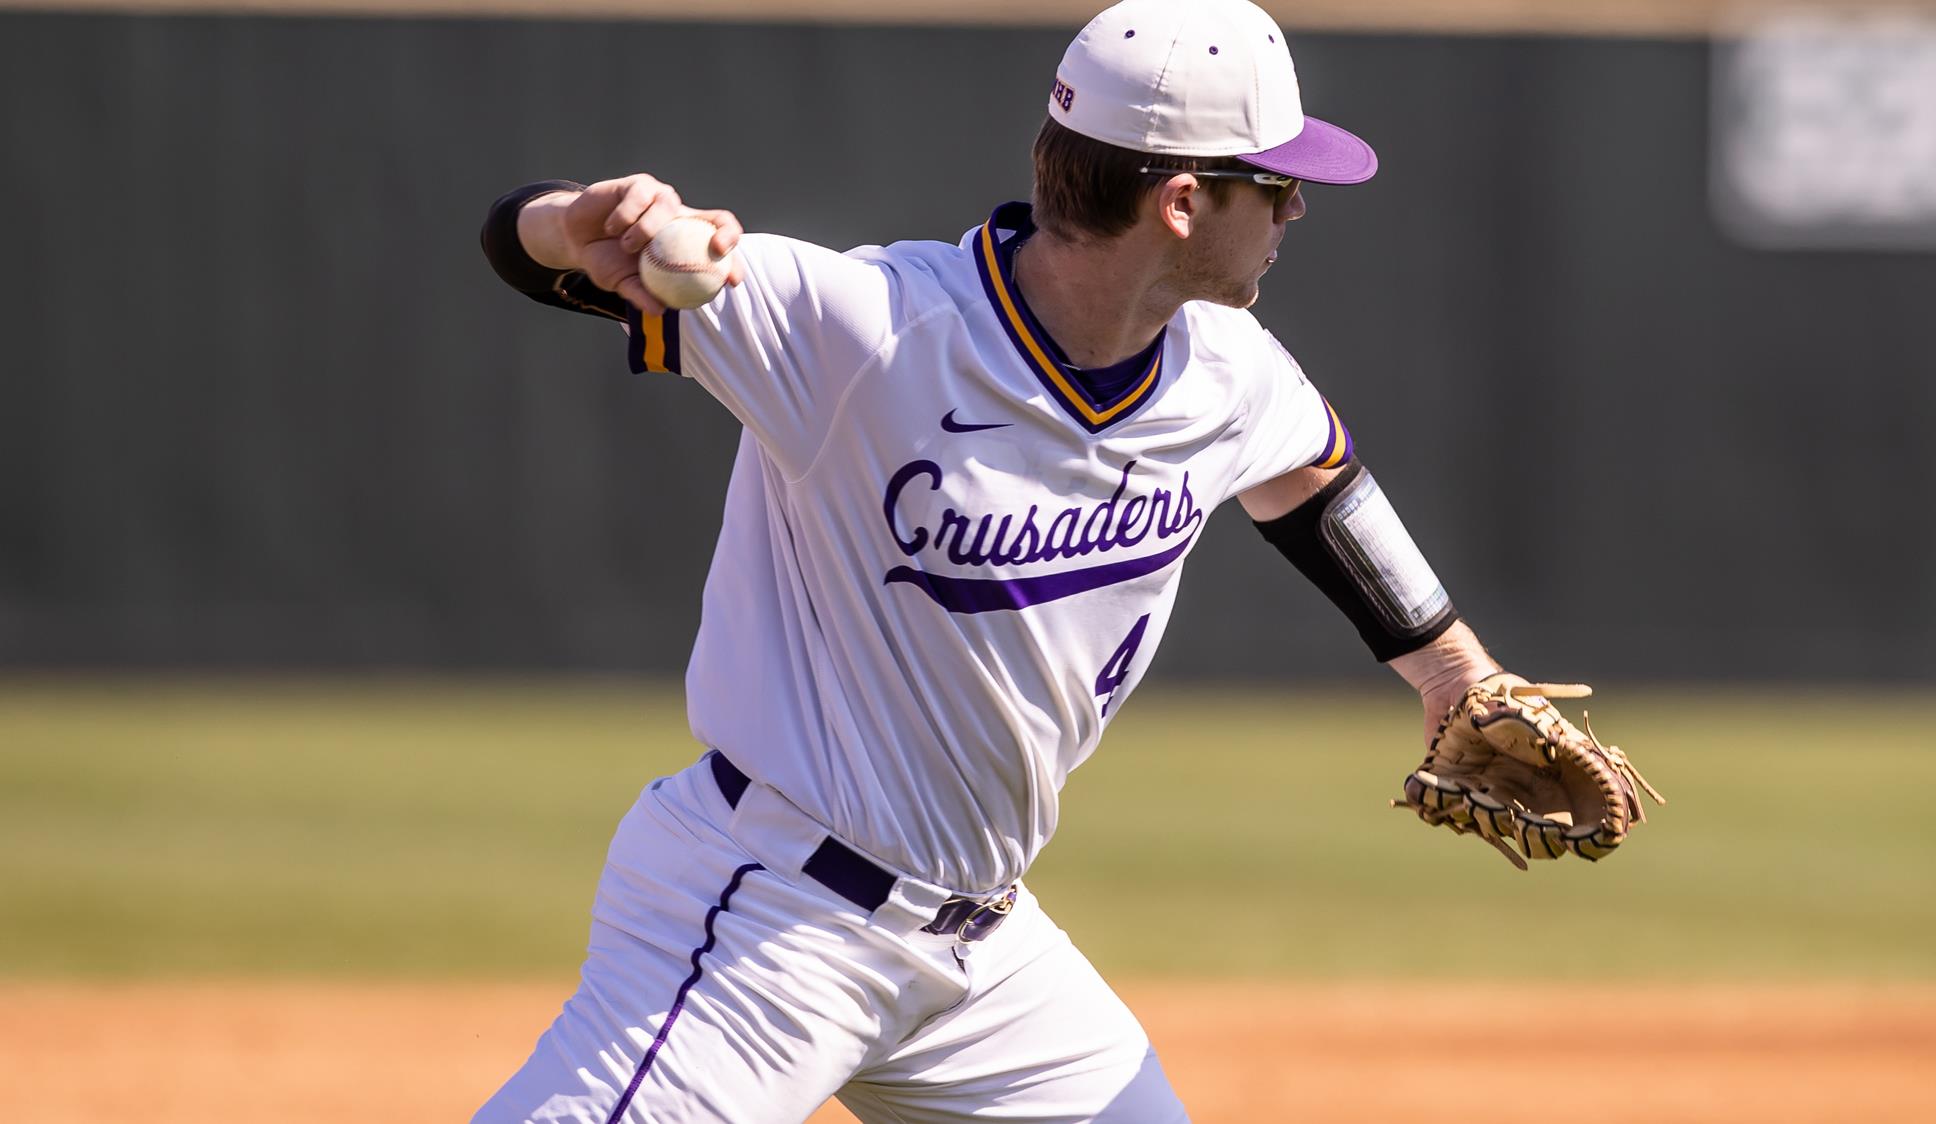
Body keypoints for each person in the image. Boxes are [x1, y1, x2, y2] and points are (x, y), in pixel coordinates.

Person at [473, 1, 1516, 1119]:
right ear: (1178, 202)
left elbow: (1315, 481)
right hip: (771, 918)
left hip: (982, 953)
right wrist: (569, 220)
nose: (1295, 203)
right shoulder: (864, 326)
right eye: (1269, 181)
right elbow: (526, 247)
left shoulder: (1227, 368)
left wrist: (1454, 671)